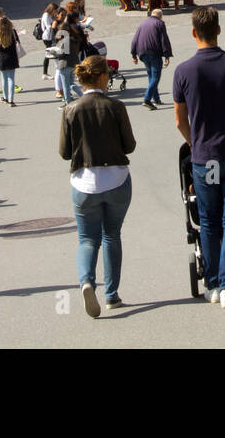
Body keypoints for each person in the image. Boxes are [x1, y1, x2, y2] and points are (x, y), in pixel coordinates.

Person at [172, 6, 225, 311]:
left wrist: (194, 143)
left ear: (194, 32)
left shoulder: (183, 71)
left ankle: (211, 284)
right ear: (219, 30)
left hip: (205, 158)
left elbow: (180, 120)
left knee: (208, 221)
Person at [59, 55, 137, 317]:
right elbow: (130, 146)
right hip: (115, 178)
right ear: (103, 76)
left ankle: (87, 281)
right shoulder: (116, 107)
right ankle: (112, 295)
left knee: (87, 238)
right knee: (112, 235)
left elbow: (64, 152)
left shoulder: (70, 109)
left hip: (84, 181)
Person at [130, 8, 173, 111]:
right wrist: (167, 55)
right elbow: (164, 40)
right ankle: (147, 99)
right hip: (153, 52)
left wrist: (133, 55)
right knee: (156, 77)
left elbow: (134, 40)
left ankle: (156, 99)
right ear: (160, 16)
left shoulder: (142, 24)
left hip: (142, 53)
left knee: (151, 76)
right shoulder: (160, 23)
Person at [51, 10, 81, 104]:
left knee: (65, 85)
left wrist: (53, 52)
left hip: (64, 64)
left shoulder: (65, 40)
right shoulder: (74, 39)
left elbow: (62, 53)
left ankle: (68, 102)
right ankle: (83, 95)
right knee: (71, 83)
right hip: (74, 63)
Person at [0, 14, 22, 105]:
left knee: (4, 79)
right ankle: (11, 100)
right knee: (11, 79)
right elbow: (18, 42)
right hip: (12, 57)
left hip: (2, 58)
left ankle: (5, 97)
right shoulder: (13, 32)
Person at [40, 2, 59, 80]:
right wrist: (54, 22)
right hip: (47, 37)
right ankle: (45, 73)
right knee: (48, 54)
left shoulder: (49, 15)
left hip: (49, 36)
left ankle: (45, 73)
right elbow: (48, 27)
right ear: (52, 9)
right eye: (55, 10)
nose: (56, 12)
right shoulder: (46, 15)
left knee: (49, 54)